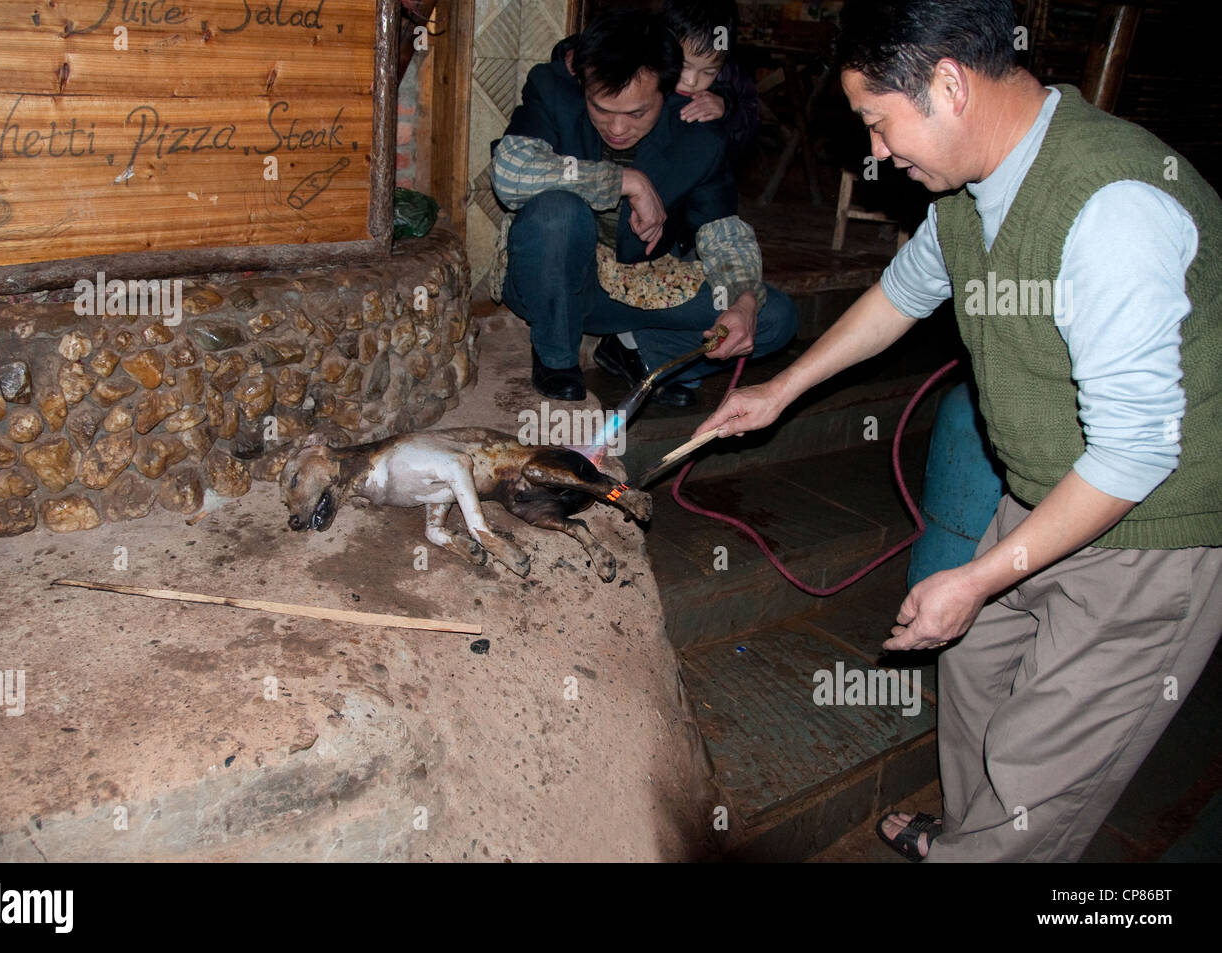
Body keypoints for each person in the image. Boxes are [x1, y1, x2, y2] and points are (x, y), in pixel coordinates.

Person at [697, 0, 1222, 862]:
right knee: (974, 666)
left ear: (948, 85)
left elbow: (1135, 453)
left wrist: (977, 576)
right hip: (1048, 491)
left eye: (877, 122)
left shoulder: (1112, 208)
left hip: (1151, 532)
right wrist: (780, 390)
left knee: (1036, 774)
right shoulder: (974, 191)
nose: (875, 151)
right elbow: (901, 296)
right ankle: (970, 839)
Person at [489, 8, 797, 408]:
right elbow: (510, 173)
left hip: (637, 288)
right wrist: (624, 181)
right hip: (553, 281)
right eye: (602, 110)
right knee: (557, 212)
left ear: (667, 92)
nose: (618, 129)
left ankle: (641, 353)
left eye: (637, 113)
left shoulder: (697, 130)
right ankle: (557, 356)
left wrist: (743, 300)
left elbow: (723, 232)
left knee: (774, 318)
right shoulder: (552, 88)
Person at [665, 0, 760, 160]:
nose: (691, 81)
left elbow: (749, 130)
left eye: (709, 72)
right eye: (682, 66)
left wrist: (729, 111)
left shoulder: (728, 75)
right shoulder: (646, 69)